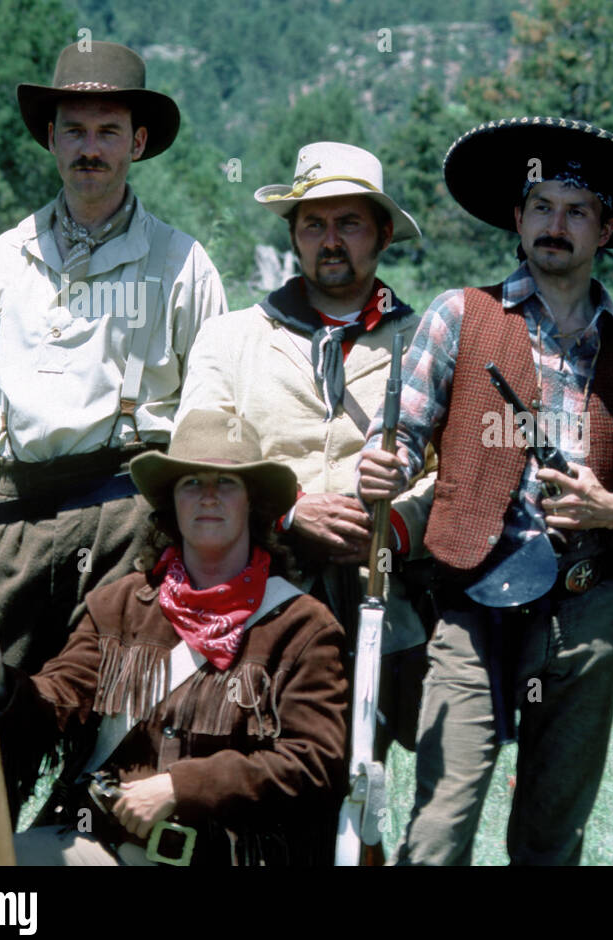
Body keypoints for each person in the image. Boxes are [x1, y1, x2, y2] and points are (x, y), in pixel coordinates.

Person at [0, 41, 227, 865]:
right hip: (13, 522)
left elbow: (212, 416)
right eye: (73, 129)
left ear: (138, 142)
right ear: (50, 139)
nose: (90, 147)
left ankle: (81, 862)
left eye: (109, 129)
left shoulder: (183, 265)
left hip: (131, 520)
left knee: (119, 727)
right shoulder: (3, 263)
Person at [358, 116, 613, 865]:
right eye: (541, 205)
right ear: (517, 217)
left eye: (577, 211)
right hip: (471, 596)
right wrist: (383, 466)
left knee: (552, 831)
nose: (556, 225)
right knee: (443, 818)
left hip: (586, 602)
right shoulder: (460, 316)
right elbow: (402, 438)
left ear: (605, 229)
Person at [0, 409, 348, 865]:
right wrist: (2, 681)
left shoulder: (303, 627)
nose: (209, 497)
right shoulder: (118, 606)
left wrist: (183, 787)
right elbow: (60, 700)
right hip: (111, 847)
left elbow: (316, 764)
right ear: (171, 504)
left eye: (227, 483)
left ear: (252, 503)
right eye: (192, 483)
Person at [176, 142, 434, 757]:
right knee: (245, 769)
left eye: (349, 223)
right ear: (293, 236)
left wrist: (396, 524)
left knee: (364, 783)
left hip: (385, 597)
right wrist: (288, 512)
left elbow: (455, 471)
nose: (331, 240)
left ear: (383, 234)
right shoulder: (230, 338)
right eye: (314, 224)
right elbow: (199, 458)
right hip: (254, 593)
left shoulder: (427, 341)